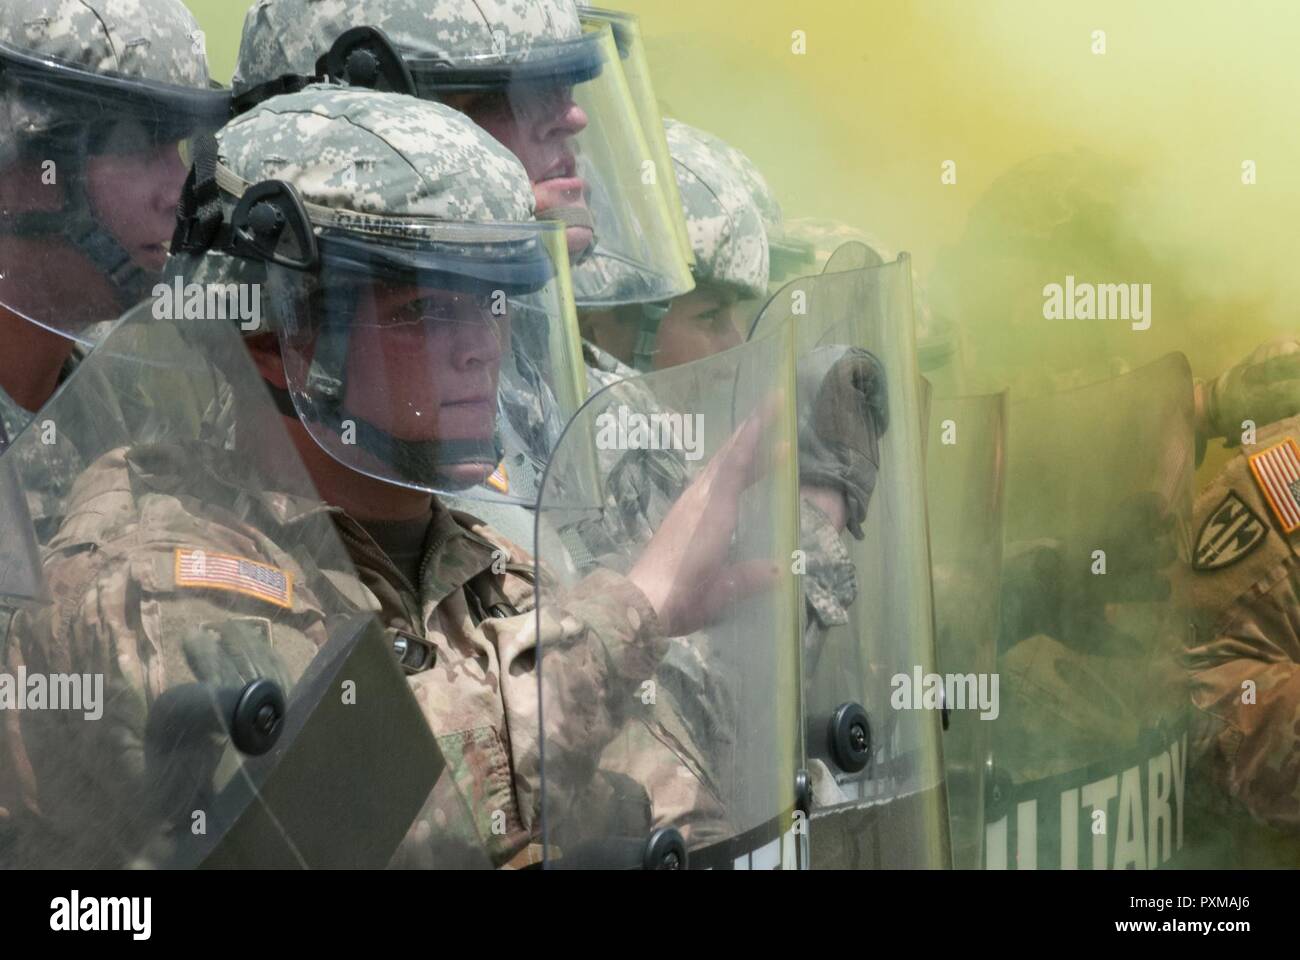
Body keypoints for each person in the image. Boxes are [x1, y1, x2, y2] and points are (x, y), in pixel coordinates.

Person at [3, 85, 795, 869]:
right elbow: (364, 829)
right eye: (425, 311)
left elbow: (683, 822)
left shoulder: (500, 574)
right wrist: (636, 612)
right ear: (276, 336)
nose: (481, 347)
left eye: (493, 302)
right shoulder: (148, 572)